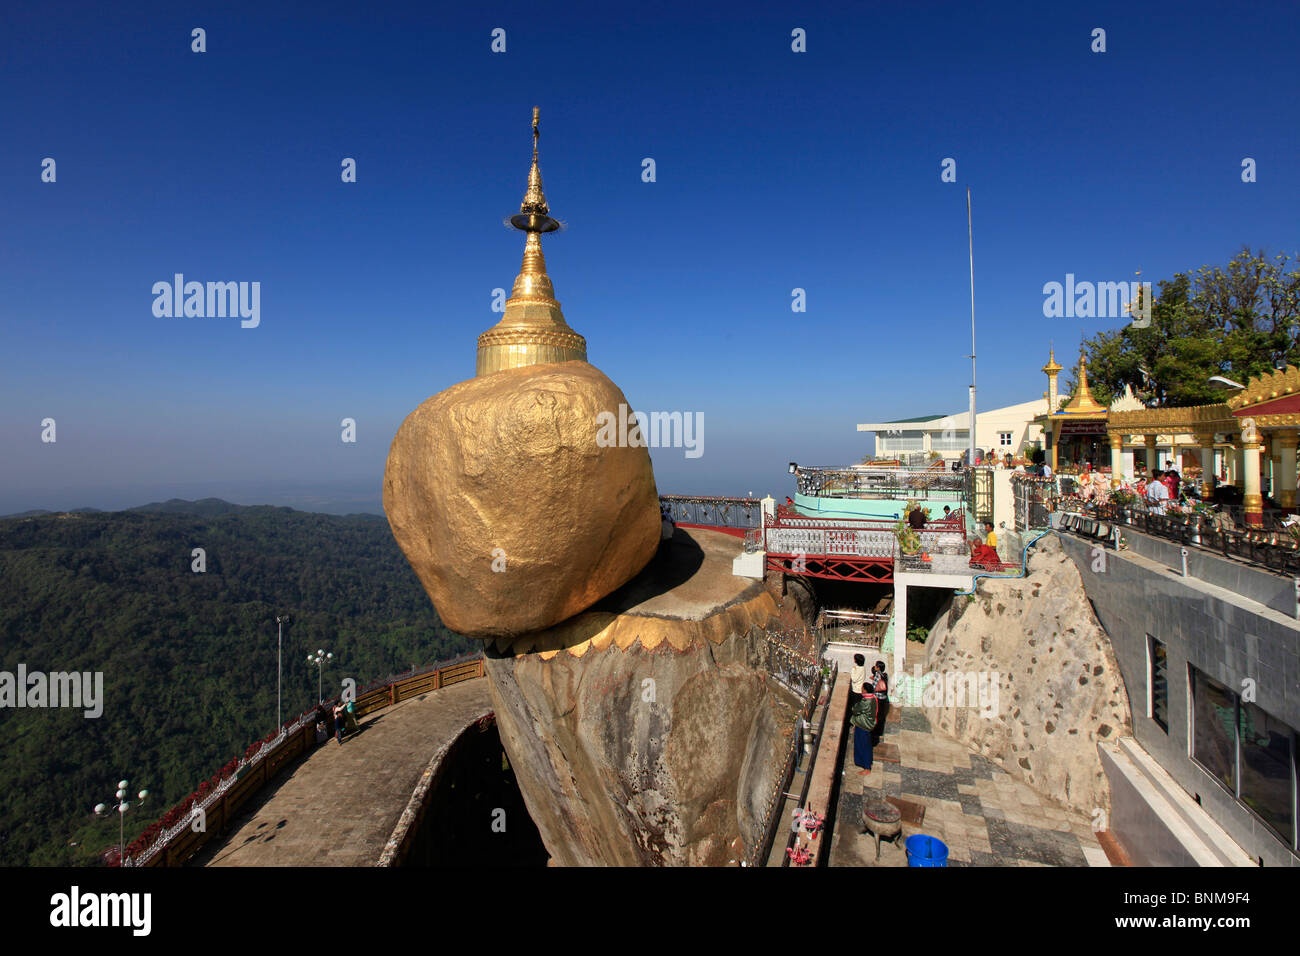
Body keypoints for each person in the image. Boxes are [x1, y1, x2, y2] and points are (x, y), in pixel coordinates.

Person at [850, 692, 879, 776]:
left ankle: (867, 768)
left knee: (864, 745)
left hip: (863, 726)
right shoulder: (873, 699)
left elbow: (855, 709)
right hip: (865, 725)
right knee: (862, 744)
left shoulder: (866, 702)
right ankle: (862, 762)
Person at [871, 661, 889, 745]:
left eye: (876, 666)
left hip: (877, 698)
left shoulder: (877, 675)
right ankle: (879, 731)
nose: (875, 667)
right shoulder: (884, 675)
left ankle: (875, 733)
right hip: (883, 698)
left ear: (878, 668)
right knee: (881, 716)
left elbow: (874, 687)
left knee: (876, 715)